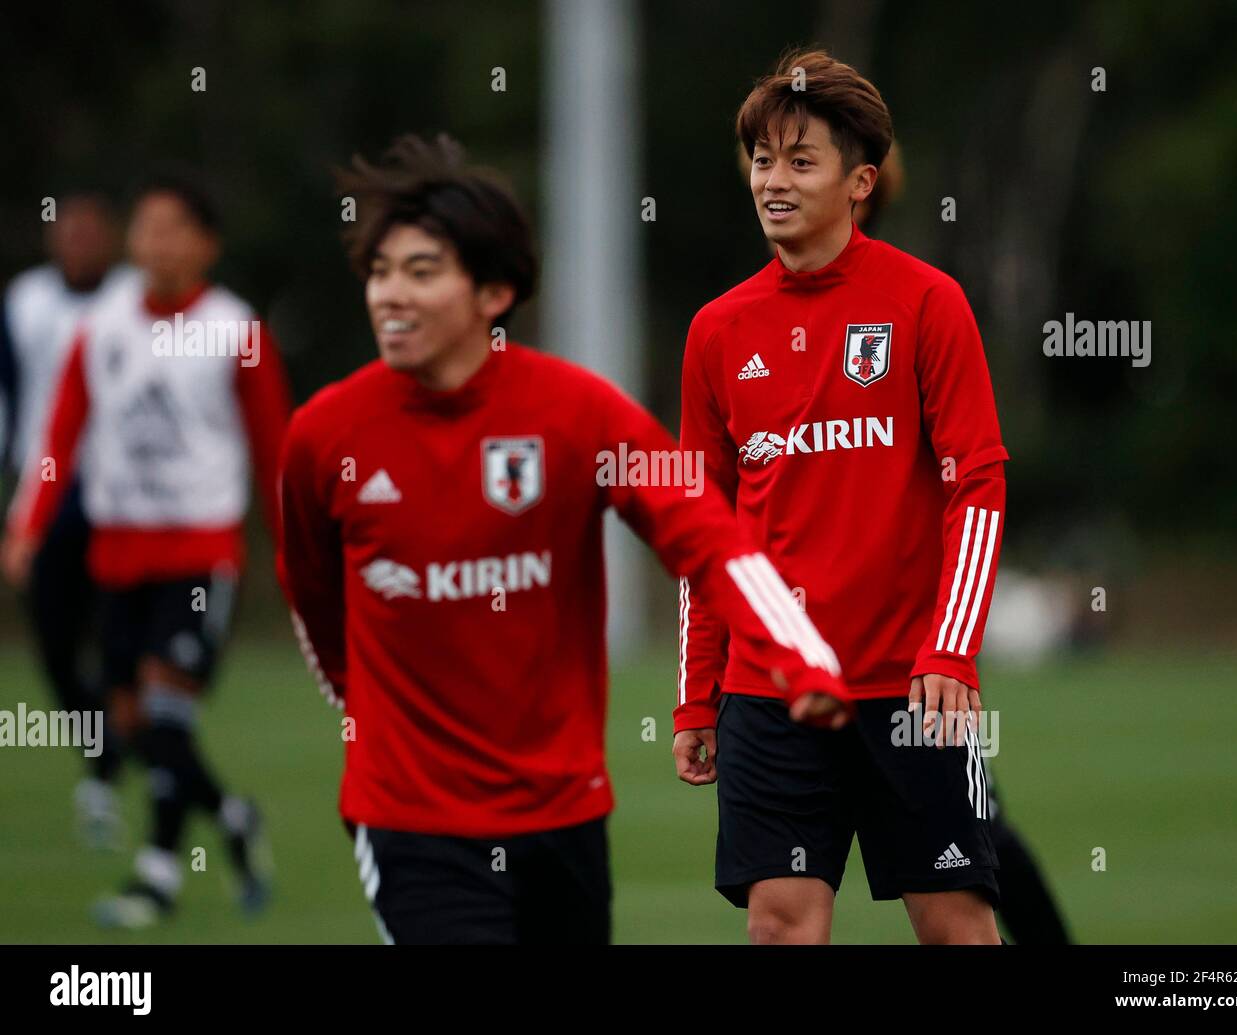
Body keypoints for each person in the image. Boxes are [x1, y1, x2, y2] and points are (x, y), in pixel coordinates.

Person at [276, 133, 852, 945]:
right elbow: (309, 585)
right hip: (411, 816)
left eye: (422, 272)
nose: (390, 297)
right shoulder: (323, 435)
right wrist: (359, 700)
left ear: (494, 291)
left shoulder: (578, 415)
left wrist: (799, 656)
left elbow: (707, 537)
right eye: (379, 272)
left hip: (562, 811)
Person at [674, 49, 1010, 944]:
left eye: (800, 160)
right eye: (761, 161)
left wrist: (949, 650)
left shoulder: (927, 304)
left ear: (861, 181)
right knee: (782, 926)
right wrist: (696, 691)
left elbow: (976, 481)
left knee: (957, 929)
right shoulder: (716, 330)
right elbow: (700, 527)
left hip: (913, 689)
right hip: (769, 691)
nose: (773, 181)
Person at [2, 172, 290, 928]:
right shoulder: (103, 328)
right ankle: (231, 817)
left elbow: (274, 451)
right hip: (118, 553)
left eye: (172, 228)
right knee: (131, 723)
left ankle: (157, 875)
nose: (155, 242)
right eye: (146, 227)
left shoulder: (236, 328)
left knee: (166, 716)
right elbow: (60, 435)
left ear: (206, 244)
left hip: (199, 552)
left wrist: (298, 553)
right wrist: (27, 524)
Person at [0, 193, 135, 847]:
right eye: (68, 233)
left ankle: (110, 775)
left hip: (121, 494)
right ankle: (105, 747)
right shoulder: (25, 301)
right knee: (54, 644)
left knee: (118, 639)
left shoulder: (135, 299)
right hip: (45, 488)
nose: (79, 244)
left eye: (91, 232)